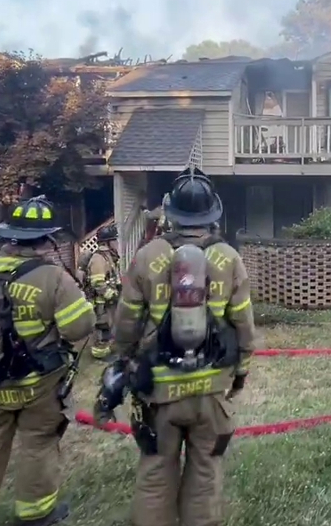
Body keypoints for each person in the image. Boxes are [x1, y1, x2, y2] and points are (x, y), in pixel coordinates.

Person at [102, 167, 256, 526]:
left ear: (170, 212)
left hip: (159, 388)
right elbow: (243, 322)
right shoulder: (228, 258)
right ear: (212, 213)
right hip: (212, 387)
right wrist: (241, 370)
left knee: (156, 468)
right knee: (206, 470)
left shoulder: (147, 255)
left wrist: (123, 359)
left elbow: (126, 322)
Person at [0, 196, 96, 526]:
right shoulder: (53, 278)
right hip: (38, 385)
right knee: (38, 444)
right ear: (47, 239)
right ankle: (35, 514)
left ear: (9, 237)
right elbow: (78, 327)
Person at [81, 224, 121, 360]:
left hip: (107, 303)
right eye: (114, 240)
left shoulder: (109, 256)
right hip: (101, 304)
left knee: (110, 329)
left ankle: (106, 351)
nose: (117, 243)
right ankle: (99, 354)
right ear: (107, 242)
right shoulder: (99, 259)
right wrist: (112, 295)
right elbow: (97, 282)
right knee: (103, 330)